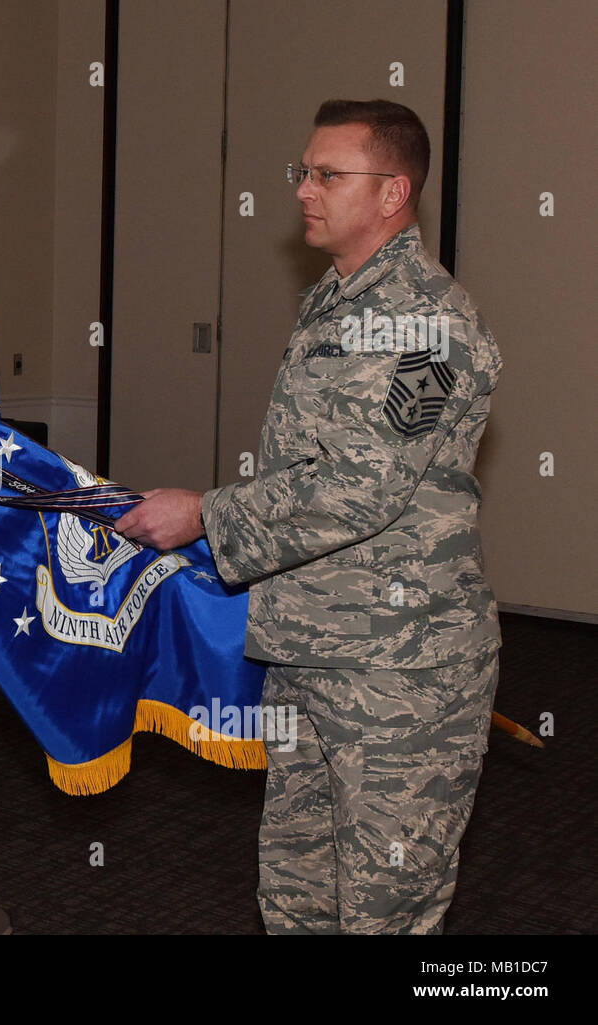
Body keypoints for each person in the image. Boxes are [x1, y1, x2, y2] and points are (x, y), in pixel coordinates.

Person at [115, 99, 501, 934]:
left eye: (329, 174)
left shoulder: (431, 325)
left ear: (394, 191)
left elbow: (361, 487)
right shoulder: (333, 302)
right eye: (304, 171)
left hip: (401, 673)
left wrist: (206, 516)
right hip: (309, 649)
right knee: (294, 899)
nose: (304, 190)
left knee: (384, 913)